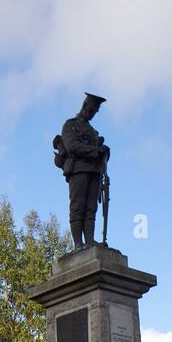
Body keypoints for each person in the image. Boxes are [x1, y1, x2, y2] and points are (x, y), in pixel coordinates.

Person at [55, 92, 109, 248]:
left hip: (94, 171)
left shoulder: (93, 132)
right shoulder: (70, 125)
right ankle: (78, 244)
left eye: (95, 111)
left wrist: (104, 151)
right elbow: (72, 147)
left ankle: (90, 241)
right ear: (84, 106)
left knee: (91, 208)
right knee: (78, 206)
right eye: (91, 109)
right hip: (78, 170)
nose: (92, 113)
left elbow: (100, 154)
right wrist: (95, 151)